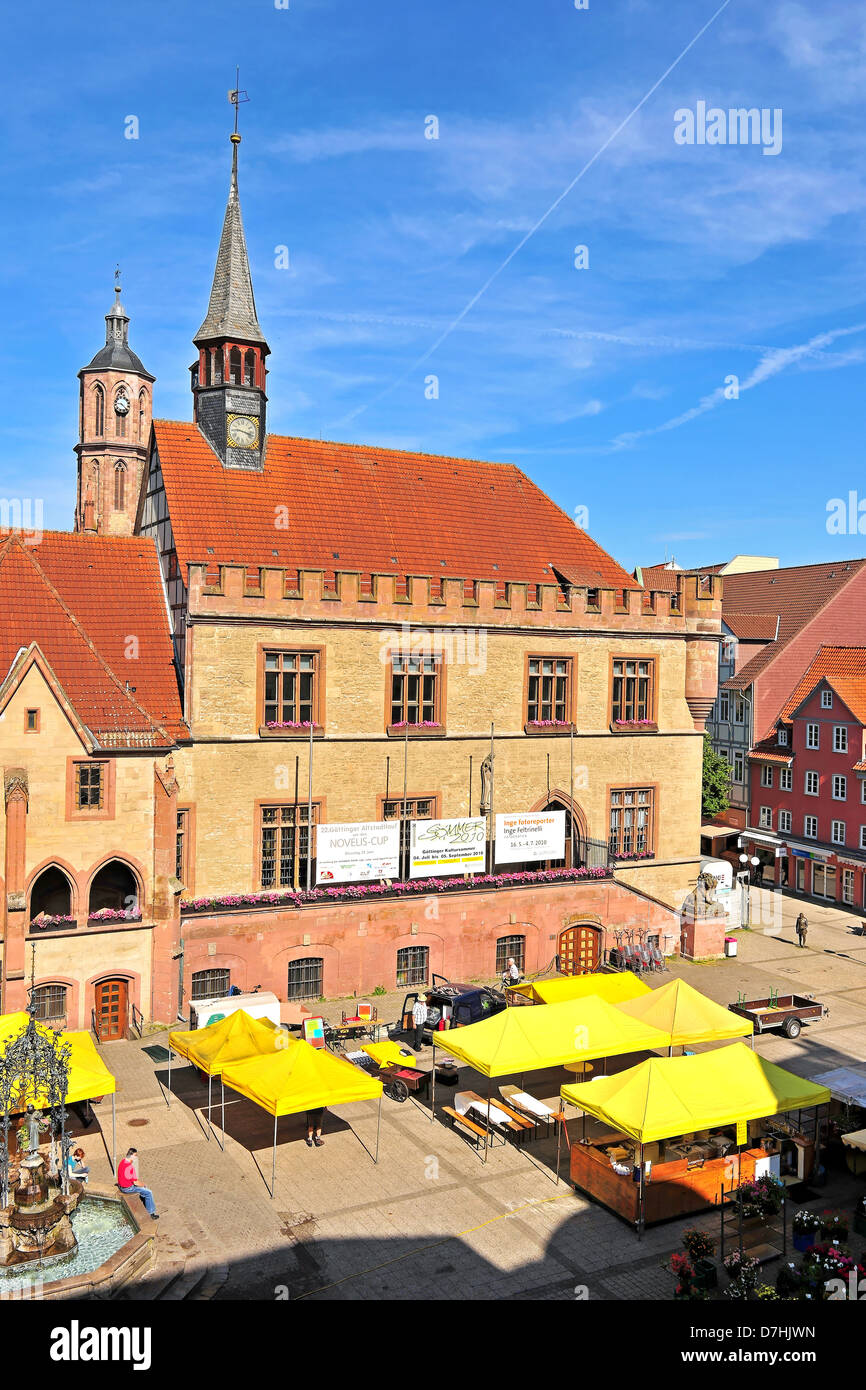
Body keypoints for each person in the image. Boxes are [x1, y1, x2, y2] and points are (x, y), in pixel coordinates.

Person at [117, 1147, 159, 1218]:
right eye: (135, 1155)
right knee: (149, 1192)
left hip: (121, 1186)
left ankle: (143, 1199)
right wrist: (144, 1184)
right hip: (128, 1188)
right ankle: (151, 1213)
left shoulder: (122, 1161)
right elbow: (135, 1182)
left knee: (143, 1189)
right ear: (132, 1156)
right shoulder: (130, 1167)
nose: (136, 1157)